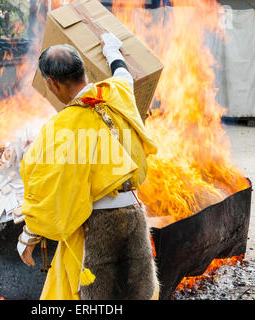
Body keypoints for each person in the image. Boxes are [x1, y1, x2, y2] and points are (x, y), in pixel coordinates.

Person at [16, 33, 160, 300]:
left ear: (51, 83)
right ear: (82, 70)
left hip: (97, 227)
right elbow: (123, 74)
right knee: (138, 293)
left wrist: (28, 236)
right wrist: (112, 50)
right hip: (135, 216)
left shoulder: (61, 126)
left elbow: (47, 190)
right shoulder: (116, 94)